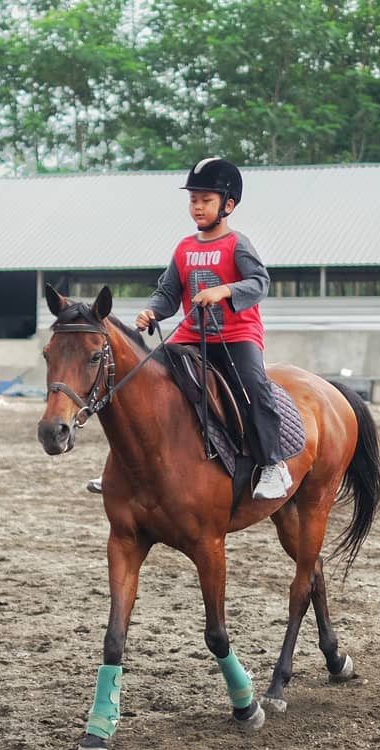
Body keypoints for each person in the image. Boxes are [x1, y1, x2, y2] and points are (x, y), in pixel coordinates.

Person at [134, 157, 292, 500]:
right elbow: (168, 293)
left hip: (237, 335)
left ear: (228, 205)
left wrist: (225, 291)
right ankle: (135, 466)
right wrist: (151, 311)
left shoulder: (238, 244)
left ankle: (273, 465)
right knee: (145, 379)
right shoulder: (184, 248)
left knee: (254, 387)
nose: (197, 207)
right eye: (193, 200)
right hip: (190, 335)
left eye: (206, 200)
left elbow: (260, 283)